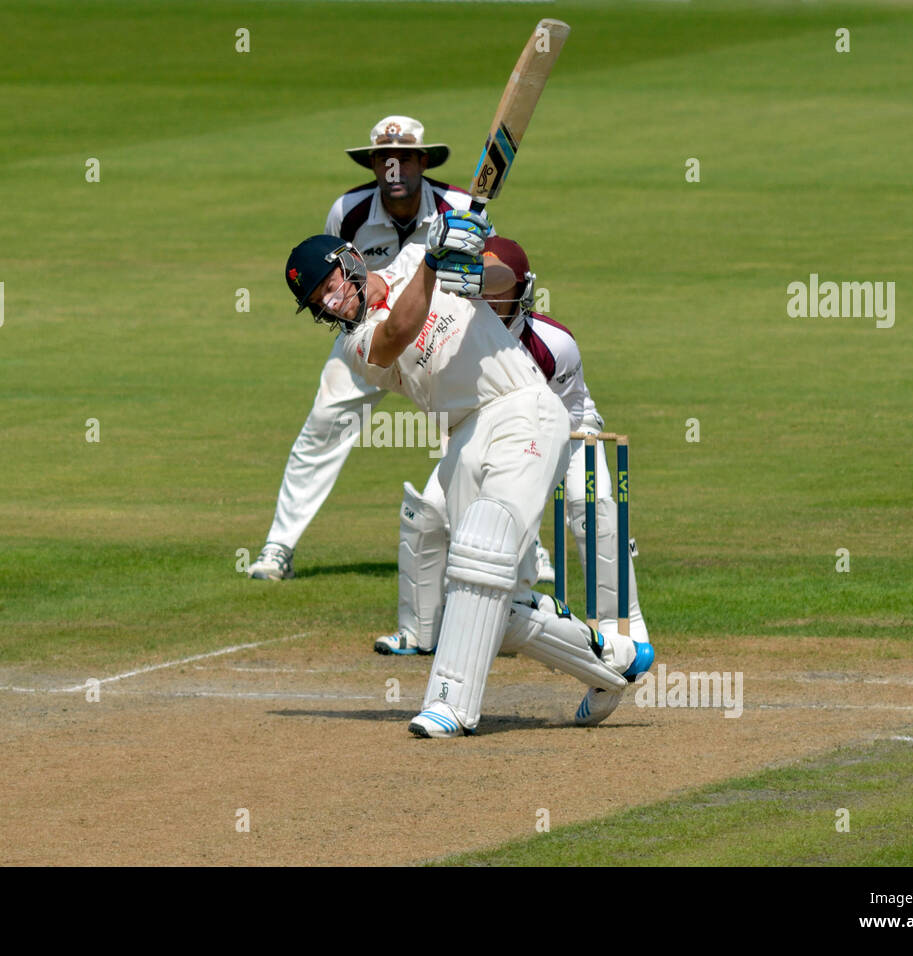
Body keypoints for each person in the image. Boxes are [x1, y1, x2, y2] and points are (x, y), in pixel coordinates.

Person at [283, 213, 646, 737]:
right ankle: (612, 660)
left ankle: (449, 703)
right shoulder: (357, 345)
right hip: (461, 437)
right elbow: (398, 333)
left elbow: (508, 282)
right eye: (316, 302)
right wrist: (435, 263)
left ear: (350, 259)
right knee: (498, 608)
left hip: (520, 405)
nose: (328, 302)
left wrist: (469, 267)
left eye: (328, 285)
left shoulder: (414, 259)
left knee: (482, 549)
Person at [376, 235, 654, 724]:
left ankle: (627, 633)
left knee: (593, 510)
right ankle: (422, 632)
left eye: (498, 290)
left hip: (566, 430)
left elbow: (561, 416)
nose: (489, 301)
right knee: (431, 511)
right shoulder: (458, 330)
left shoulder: (554, 343)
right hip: (488, 435)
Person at [247, 116, 472, 581]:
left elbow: (480, 274)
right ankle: (278, 548)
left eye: (405, 158)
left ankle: (524, 554)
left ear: (423, 161)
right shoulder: (347, 211)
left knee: (476, 435)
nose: (395, 169)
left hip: (443, 330)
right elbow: (330, 286)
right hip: (370, 333)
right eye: (385, 159)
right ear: (372, 164)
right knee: (324, 424)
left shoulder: (458, 205)